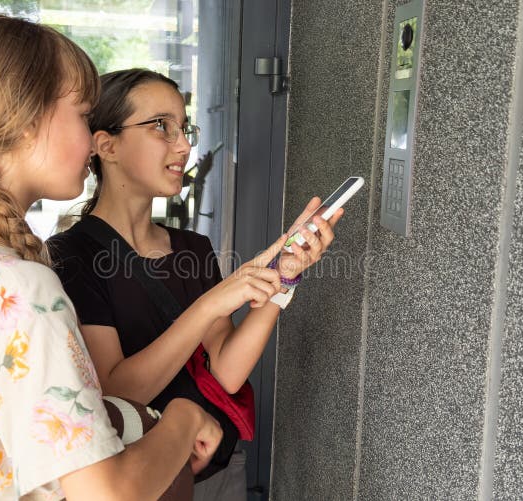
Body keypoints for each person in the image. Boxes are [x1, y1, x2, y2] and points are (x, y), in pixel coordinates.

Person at [0, 16, 221, 501]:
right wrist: (183, 417)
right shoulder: (23, 289)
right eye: (83, 115)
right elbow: (108, 493)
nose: (93, 140)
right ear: (30, 122)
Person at [46, 69, 343, 500]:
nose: (184, 145)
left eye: (184, 128)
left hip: (219, 471)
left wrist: (283, 276)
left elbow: (225, 370)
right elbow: (115, 392)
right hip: (142, 479)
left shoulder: (192, 247)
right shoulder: (71, 256)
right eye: (161, 127)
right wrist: (209, 305)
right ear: (106, 145)